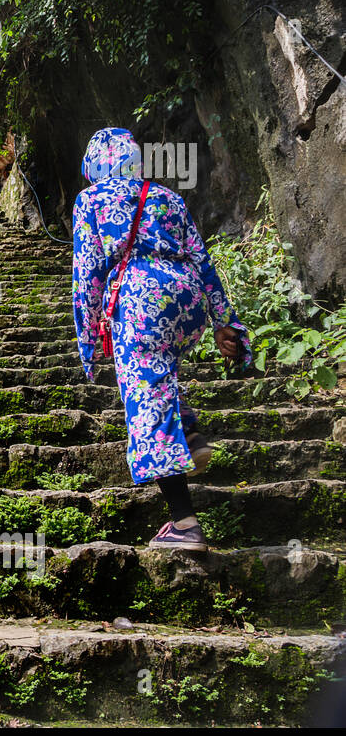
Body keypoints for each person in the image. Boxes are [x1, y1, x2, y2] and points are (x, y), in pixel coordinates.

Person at [71, 127, 251, 551]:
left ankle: (185, 524)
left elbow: (87, 274)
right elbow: (202, 259)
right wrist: (225, 322)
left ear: (95, 164)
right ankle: (187, 430)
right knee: (157, 379)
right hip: (186, 300)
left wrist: (87, 343)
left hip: (139, 299)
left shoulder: (91, 200)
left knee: (145, 398)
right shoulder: (166, 196)